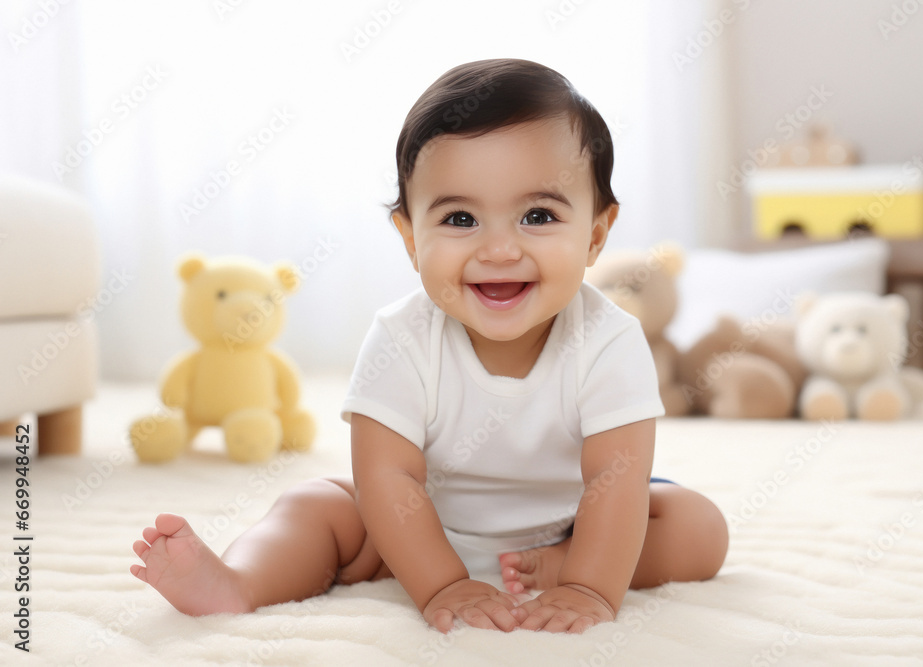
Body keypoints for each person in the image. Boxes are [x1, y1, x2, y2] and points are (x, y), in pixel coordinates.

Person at [130, 58, 728, 634]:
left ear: (595, 236)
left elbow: (614, 480)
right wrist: (442, 584)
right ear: (411, 239)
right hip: (408, 531)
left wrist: (588, 586)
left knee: (698, 526)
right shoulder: (401, 338)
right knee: (314, 505)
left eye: (538, 216)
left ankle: (554, 566)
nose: (500, 250)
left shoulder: (610, 339)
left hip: (573, 524)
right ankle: (239, 582)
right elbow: (385, 476)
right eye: (461, 219)